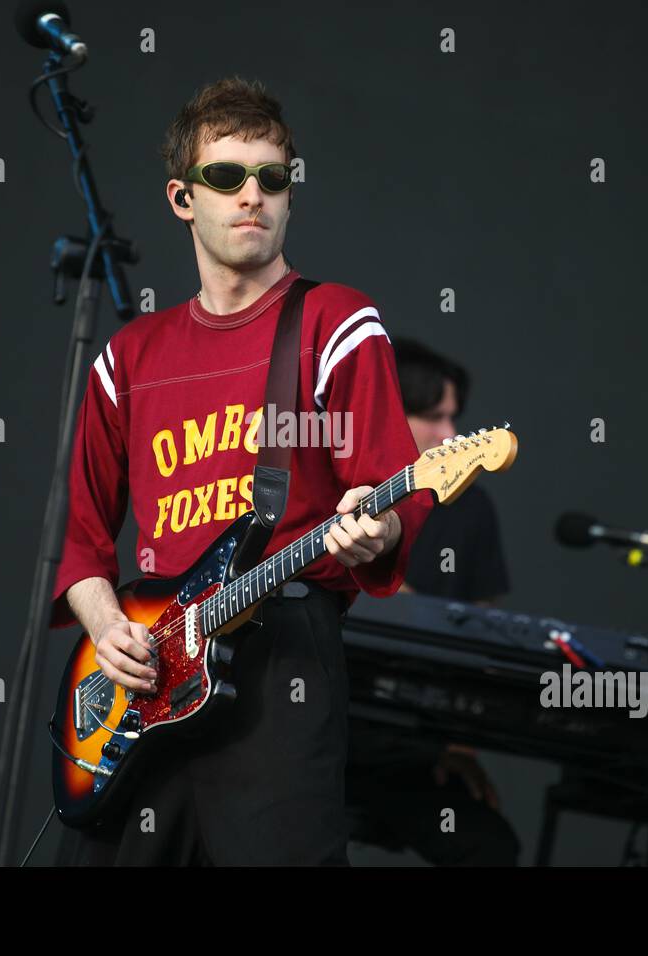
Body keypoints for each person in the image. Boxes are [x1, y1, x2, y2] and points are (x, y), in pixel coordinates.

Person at [50, 76, 432, 865]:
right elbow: (83, 542)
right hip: (148, 671)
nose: (252, 195)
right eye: (226, 177)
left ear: (291, 195)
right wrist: (106, 628)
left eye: (272, 178)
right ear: (183, 198)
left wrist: (380, 522)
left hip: (280, 655)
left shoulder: (335, 320)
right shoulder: (130, 357)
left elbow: (395, 489)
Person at [345, 338, 522, 865]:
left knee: (490, 847)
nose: (449, 434)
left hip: (413, 751)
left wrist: (462, 748)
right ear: (390, 412)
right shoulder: (333, 480)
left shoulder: (473, 510)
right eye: (432, 416)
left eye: (454, 417)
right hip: (320, 732)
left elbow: (483, 633)